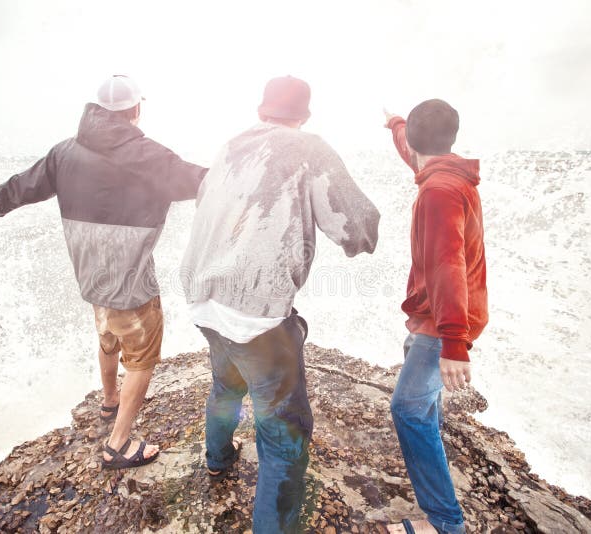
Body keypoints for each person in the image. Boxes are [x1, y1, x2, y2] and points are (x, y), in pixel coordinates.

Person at [0, 75, 207, 470]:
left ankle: (110, 400)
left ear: (94, 110)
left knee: (108, 336)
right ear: (135, 110)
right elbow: (202, 181)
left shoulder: (64, 153)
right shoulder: (149, 156)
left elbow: (20, 188)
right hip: (131, 285)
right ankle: (118, 444)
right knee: (142, 361)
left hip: (91, 279)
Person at [181, 75, 381, 533]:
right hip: (255, 315)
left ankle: (217, 458)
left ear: (261, 109)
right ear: (304, 116)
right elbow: (358, 229)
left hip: (203, 297)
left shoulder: (230, 146)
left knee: (226, 383)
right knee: (284, 435)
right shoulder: (308, 146)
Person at [383, 99, 488, 534]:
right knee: (421, 402)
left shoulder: (438, 192)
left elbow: (447, 266)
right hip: (439, 312)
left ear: (415, 143)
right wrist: (394, 122)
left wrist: (454, 343)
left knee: (406, 409)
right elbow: (411, 149)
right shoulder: (443, 171)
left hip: (443, 318)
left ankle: (446, 523)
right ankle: (434, 446)